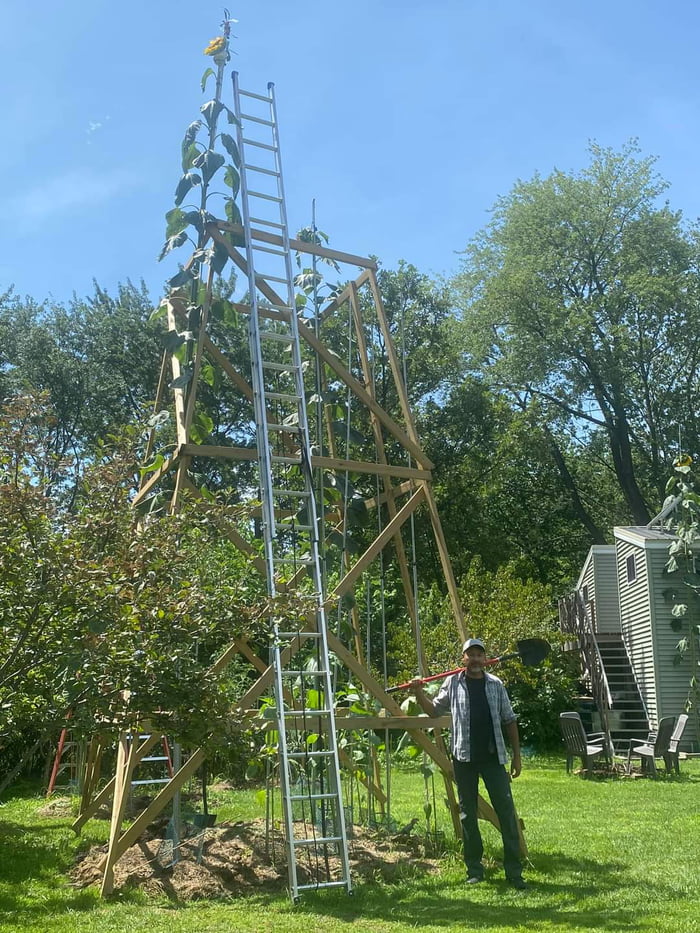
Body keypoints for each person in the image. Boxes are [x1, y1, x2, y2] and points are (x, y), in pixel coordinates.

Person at [409, 637, 527, 889]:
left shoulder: (496, 685)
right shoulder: (452, 683)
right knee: (467, 815)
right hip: (464, 759)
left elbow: (509, 720)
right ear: (463, 659)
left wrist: (516, 756)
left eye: (478, 655)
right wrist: (418, 691)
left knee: (506, 813)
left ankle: (514, 873)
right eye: (469, 655)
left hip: (494, 759)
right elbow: (433, 711)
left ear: (485, 659)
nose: (474, 659)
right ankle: (474, 869)